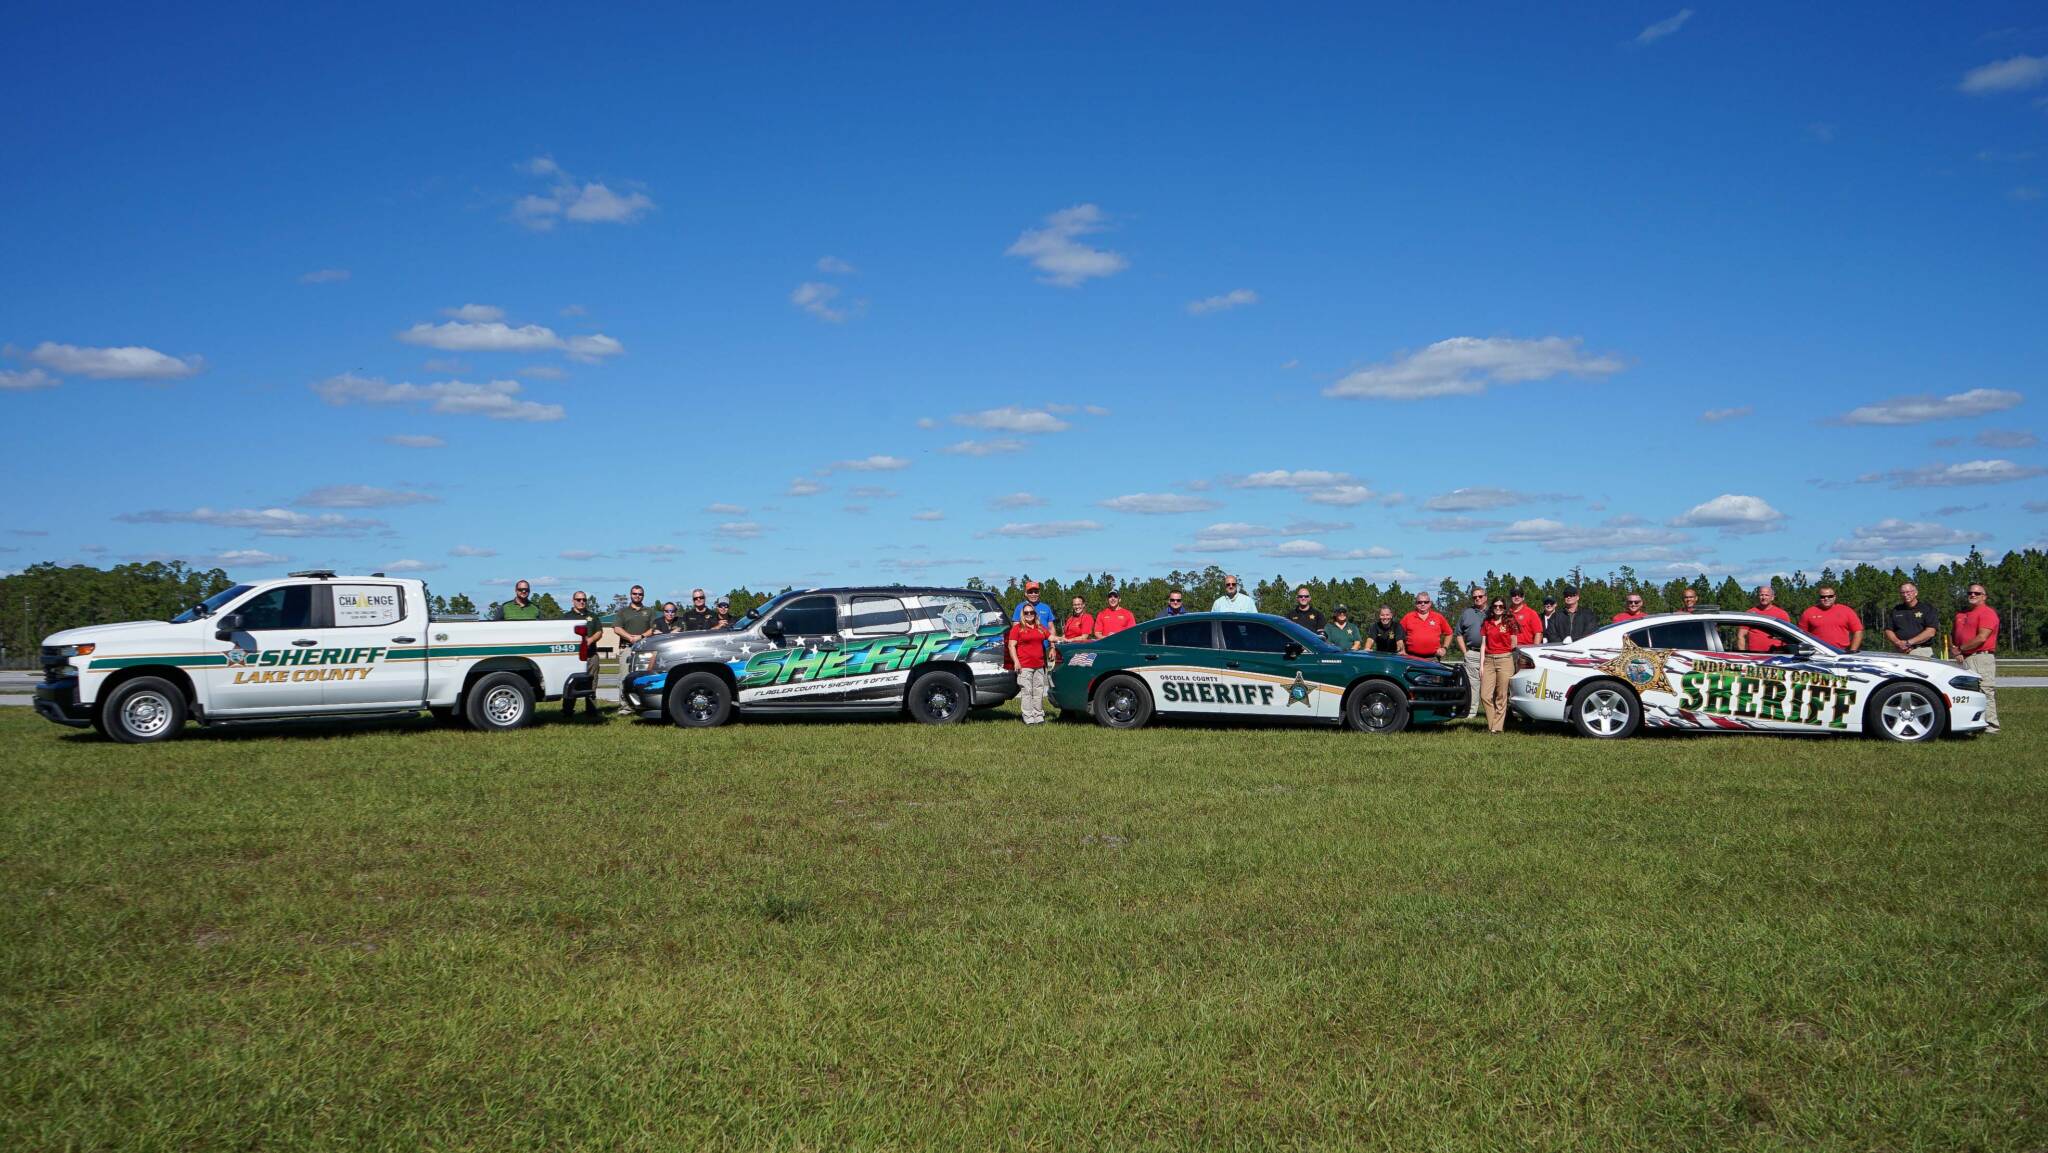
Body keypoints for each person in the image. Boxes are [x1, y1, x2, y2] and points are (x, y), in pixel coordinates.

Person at [1954, 583, 1999, 732]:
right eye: (1970, 593)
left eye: (1977, 593)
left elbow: (1981, 638)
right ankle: (1971, 723)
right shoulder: (1961, 615)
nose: (1972, 595)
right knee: (1966, 692)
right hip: (1963, 658)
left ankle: (1990, 725)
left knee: (1984, 690)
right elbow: (1955, 637)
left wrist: (1961, 648)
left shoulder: (1987, 613)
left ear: (1984, 597)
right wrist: (1957, 651)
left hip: (1981, 657)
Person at [1007, 609, 1057, 725]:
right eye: (1026, 613)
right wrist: (1016, 662)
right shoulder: (1017, 628)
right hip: (1024, 666)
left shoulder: (1040, 628)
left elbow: (1051, 638)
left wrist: (1065, 639)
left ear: (1035, 614)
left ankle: (1038, 715)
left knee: (1038, 691)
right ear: (1023, 615)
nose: (1029, 614)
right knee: (1027, 691)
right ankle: (1028, 717)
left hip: (1039, 665)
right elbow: (1011, 646)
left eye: (1031, 612)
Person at [1479, 596, 1521, 733]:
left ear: (1504, 608)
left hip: (1505, 659)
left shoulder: (1509, 622)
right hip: (1489, 660)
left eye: (1501, 606)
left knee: (1501, 695)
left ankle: (1496, 728)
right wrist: (1481, 665)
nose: (1498, 608)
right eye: (1495, 606)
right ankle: (1493, 724)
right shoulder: (1487, 622)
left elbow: (1514, 642)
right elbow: (1483, 644)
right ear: (1492, 607)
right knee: (1485, 695)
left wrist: (1506, 651)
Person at [563, 590, 604, 718]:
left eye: (584, 600)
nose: (582, 602)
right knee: (571, 684)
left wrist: (591, 640)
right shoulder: (566, 617)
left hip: (591, 655)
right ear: (573, 601)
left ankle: (591, 711)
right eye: (579, 599)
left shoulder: (592, 616)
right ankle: (567, 711)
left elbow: (599, 631)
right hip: (573, 657)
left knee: (592, 684)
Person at [1455, 585, 1489, 717]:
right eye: (1475, 597)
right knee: (1473, 686)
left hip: (1491, 654)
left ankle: (1491, 713)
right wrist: (1465, 652)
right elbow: (1458, 634)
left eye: (1480, 596)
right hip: (1473, 653)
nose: (1478, 599)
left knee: (1491, 685)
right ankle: (1472, 712)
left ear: (1485, 597)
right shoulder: (1467, 613)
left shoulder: (1494, 611)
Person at [1798, 586, 1862, 651]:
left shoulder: (1847, 611)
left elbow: (1858, 631)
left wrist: (1853, 650)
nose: (1826, 598)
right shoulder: (1808, 612)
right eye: (1823, 597)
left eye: (1830, 596)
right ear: (1819, 598)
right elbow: (1800, 634)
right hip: (1817, 653)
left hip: (1841, 652)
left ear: (1834, 597)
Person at [1883, 582, 1938, 657]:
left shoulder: (1927, 609)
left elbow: (1931, 632)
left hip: (1920, 651)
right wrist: (1897, 642)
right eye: (1902, 593)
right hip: (1899, 650)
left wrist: (1908, 643)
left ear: (1916, 593)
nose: (1905, 595)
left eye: (1908, 592)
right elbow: (1888, 630)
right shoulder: (1896, 610)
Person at [1737, 584, 1793, 653]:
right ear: (1758, 596)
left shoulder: (1782, 614)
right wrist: (1743, 655)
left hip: (1776, 656)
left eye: (1766, 595)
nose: (1763, 597)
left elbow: (1789, 636)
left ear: (1772, 597)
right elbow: (1741, 635)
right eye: (1761, 595)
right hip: (1754, 656)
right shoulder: (1750, 613)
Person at [1399, 593, 1452, 660]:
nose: (1423, 604)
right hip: (1412, 657)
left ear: (1430, 603)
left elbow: (1449, 633)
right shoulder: (1408, 617)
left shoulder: (1438, 617)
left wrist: (1444, 648)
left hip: (1433, 658)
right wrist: (1402, 649)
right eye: (1419, 602)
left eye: (1426, 602)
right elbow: (1399, 634)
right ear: (1416, 603)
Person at [614, 585, 659, 660]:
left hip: (646, 648)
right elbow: (617, 628)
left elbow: (654, 628)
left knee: (645, 671)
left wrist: (640, 637)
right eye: (634, 594)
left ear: (643, 596)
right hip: (627, 648)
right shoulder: (623, 611)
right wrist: (630, 638)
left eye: (640, 594)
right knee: (625, 671)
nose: (637, 596)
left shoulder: (650, 611)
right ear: (630, 595)